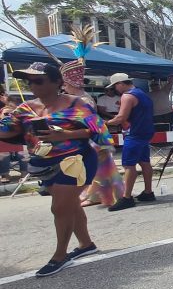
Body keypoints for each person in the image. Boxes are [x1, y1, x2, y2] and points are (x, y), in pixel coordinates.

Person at [0, 62, 108, 276]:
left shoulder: (77, 104)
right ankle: (86, 245)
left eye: (38, 80)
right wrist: (5, 118)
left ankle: (60, 256)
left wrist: (66, 135)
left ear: (57, 82)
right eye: (28, 81)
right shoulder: (25, 108)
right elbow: (6, 132)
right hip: (44, 163)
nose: (32, 85)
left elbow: (101, 132)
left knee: (59, 208)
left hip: (77, 160)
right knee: (69, 206)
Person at [59, 60, 124, 207]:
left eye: (65, 84)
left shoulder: (83, 100)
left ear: (71, 83)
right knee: (99, 168)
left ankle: (95, 195)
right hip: (90, 138)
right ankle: (98, 194)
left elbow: (87, 122)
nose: (64, 87)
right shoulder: (79, 98)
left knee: (98, 169)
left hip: (93, 138)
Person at [106, 72, 156, 211]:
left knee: (129, 165)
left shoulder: (127, 96)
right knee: (145, 162)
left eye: (115, 86)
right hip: (146, 132)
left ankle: (126, 198)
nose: (115, 90)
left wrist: (104, 124)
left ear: (120, 84)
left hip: (134, 133)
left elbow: (121, 118)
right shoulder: (142, 93)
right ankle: (148, 192)